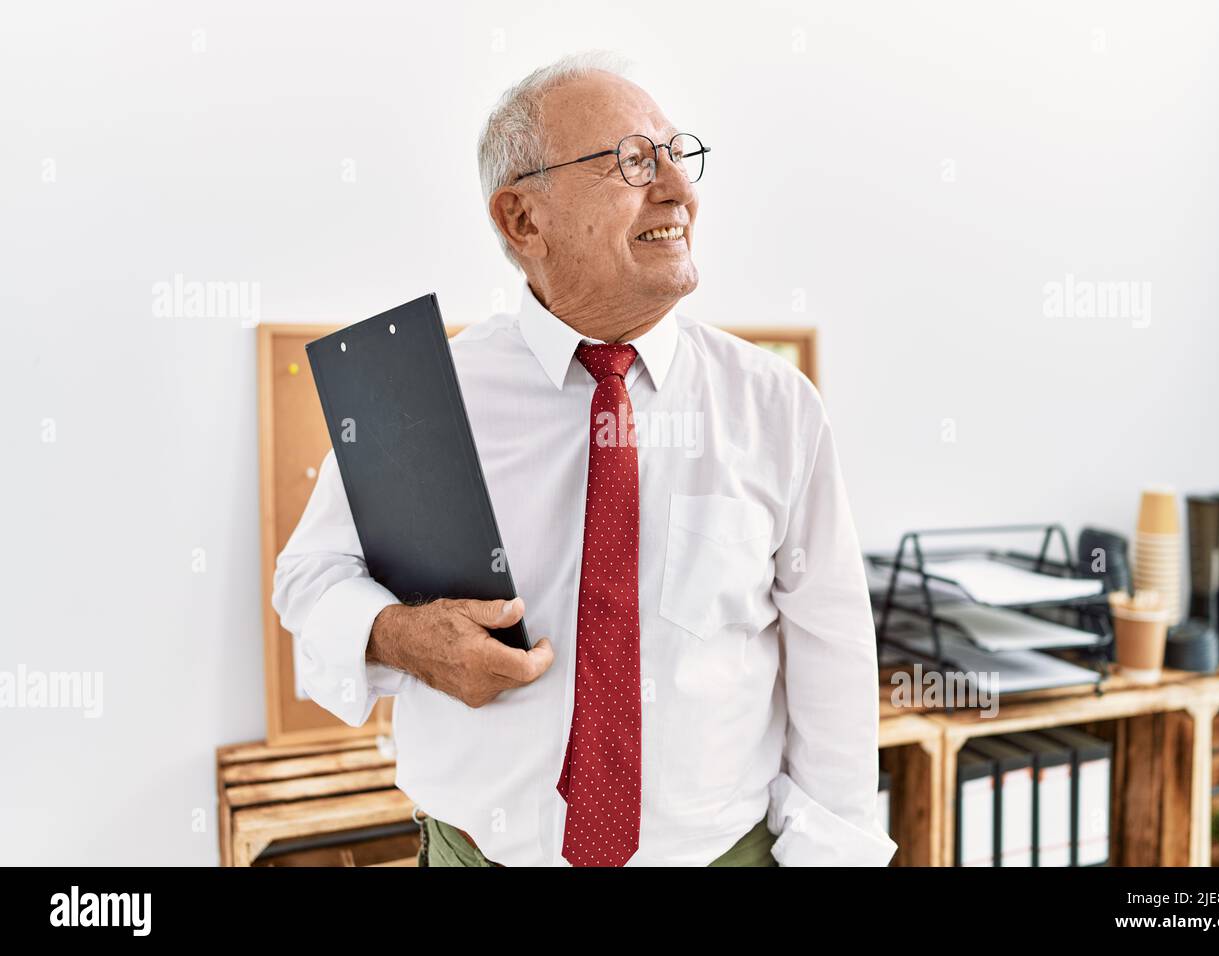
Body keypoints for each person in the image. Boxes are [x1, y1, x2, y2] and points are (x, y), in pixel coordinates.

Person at [272, 51, 896, 868]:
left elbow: (835, 663)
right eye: (635, 162)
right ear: (523, 220)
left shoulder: (775, 407)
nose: (679, 190)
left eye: (679, 155)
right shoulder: (420, 399)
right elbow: (309, 581)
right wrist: (396, 635)